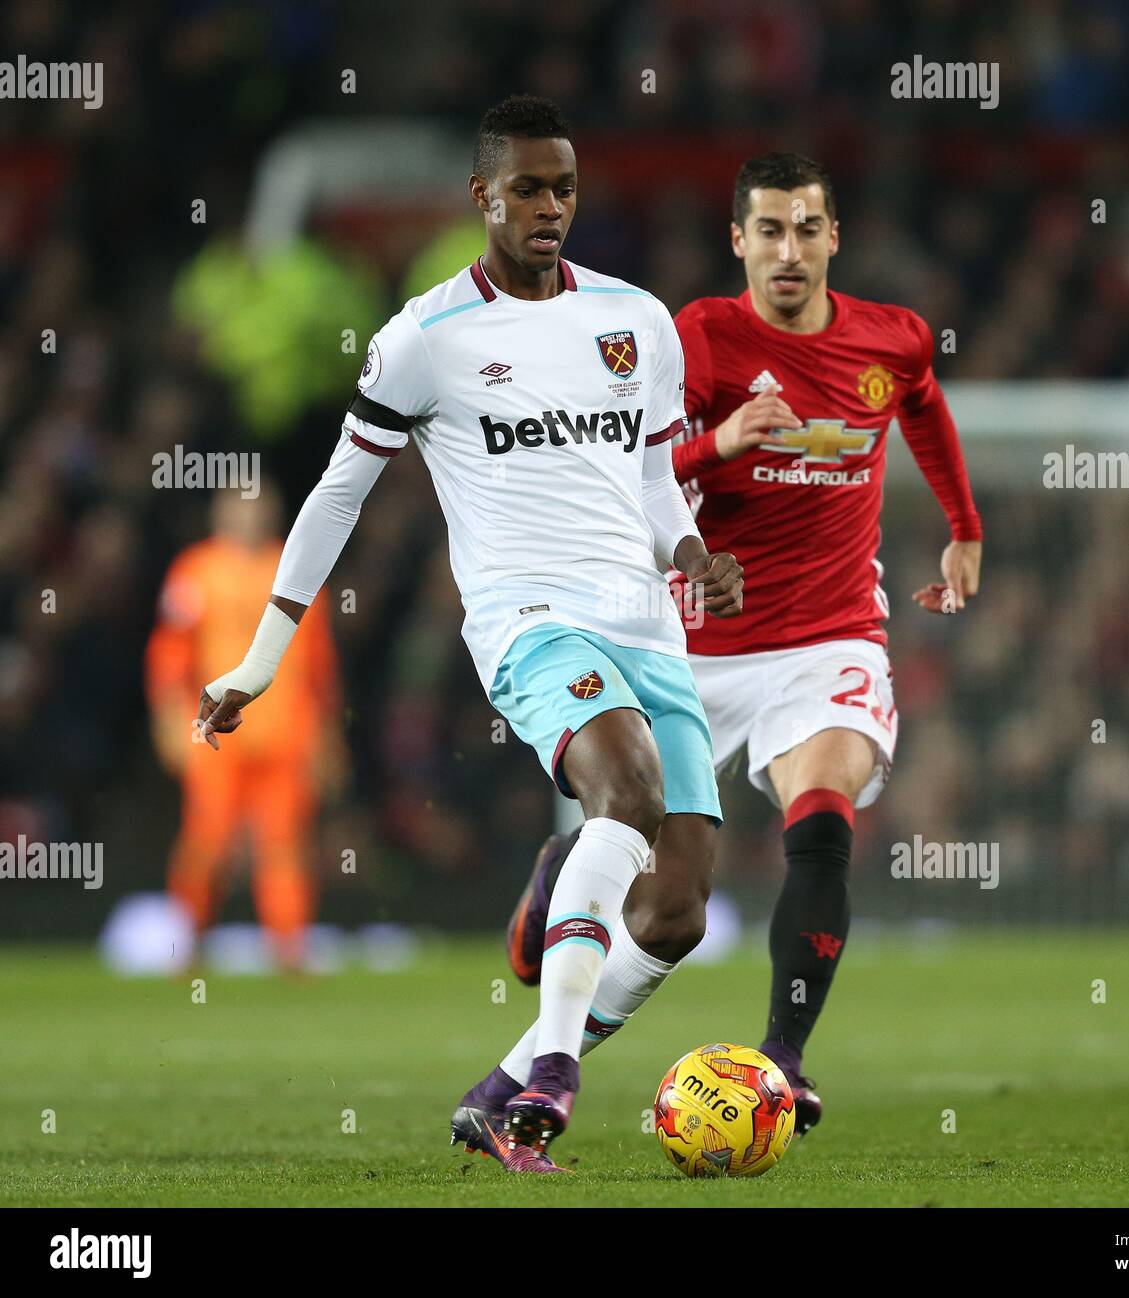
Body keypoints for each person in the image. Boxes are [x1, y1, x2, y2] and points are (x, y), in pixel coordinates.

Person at [195, 95, 743, 1173]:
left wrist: (687, 557)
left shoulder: (637, 319)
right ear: (482, 195)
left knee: (675, 907)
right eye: (529, 188)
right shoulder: (425, 339)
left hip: (645, 623)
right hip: (526, 619)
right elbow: (335, 497)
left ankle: (500, 1085)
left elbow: (651, 480)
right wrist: (262, 659)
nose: (550, 208)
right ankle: (553, 1074)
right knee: (623, 790)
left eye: (566, 188)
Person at [507, 152, 983, 1135]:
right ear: (739, 241)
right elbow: (628, 466)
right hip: (694, 638)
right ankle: (561, 887)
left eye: (807, 228)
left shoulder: (887, 338)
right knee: (662, 902)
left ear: (833, 238)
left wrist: (963, 527)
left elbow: (923, 402)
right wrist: (715, 447)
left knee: (822, 819)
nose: (788, 250)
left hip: (827, 637)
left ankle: (785, 1056)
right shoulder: (700, 338)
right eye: (768, 229)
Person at [146, 485, 341, 970]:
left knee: (285, 844)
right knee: (207, 842)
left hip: (286, 731)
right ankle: (186, 942)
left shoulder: (299, 570)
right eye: (240, 508)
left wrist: (328, 733)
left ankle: (289, 949)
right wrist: (170, 714)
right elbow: (171, 651)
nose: (249, 518)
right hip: (216, 734)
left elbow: (319, 663)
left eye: (258, 508)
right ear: (221, 514)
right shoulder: (197, 570)